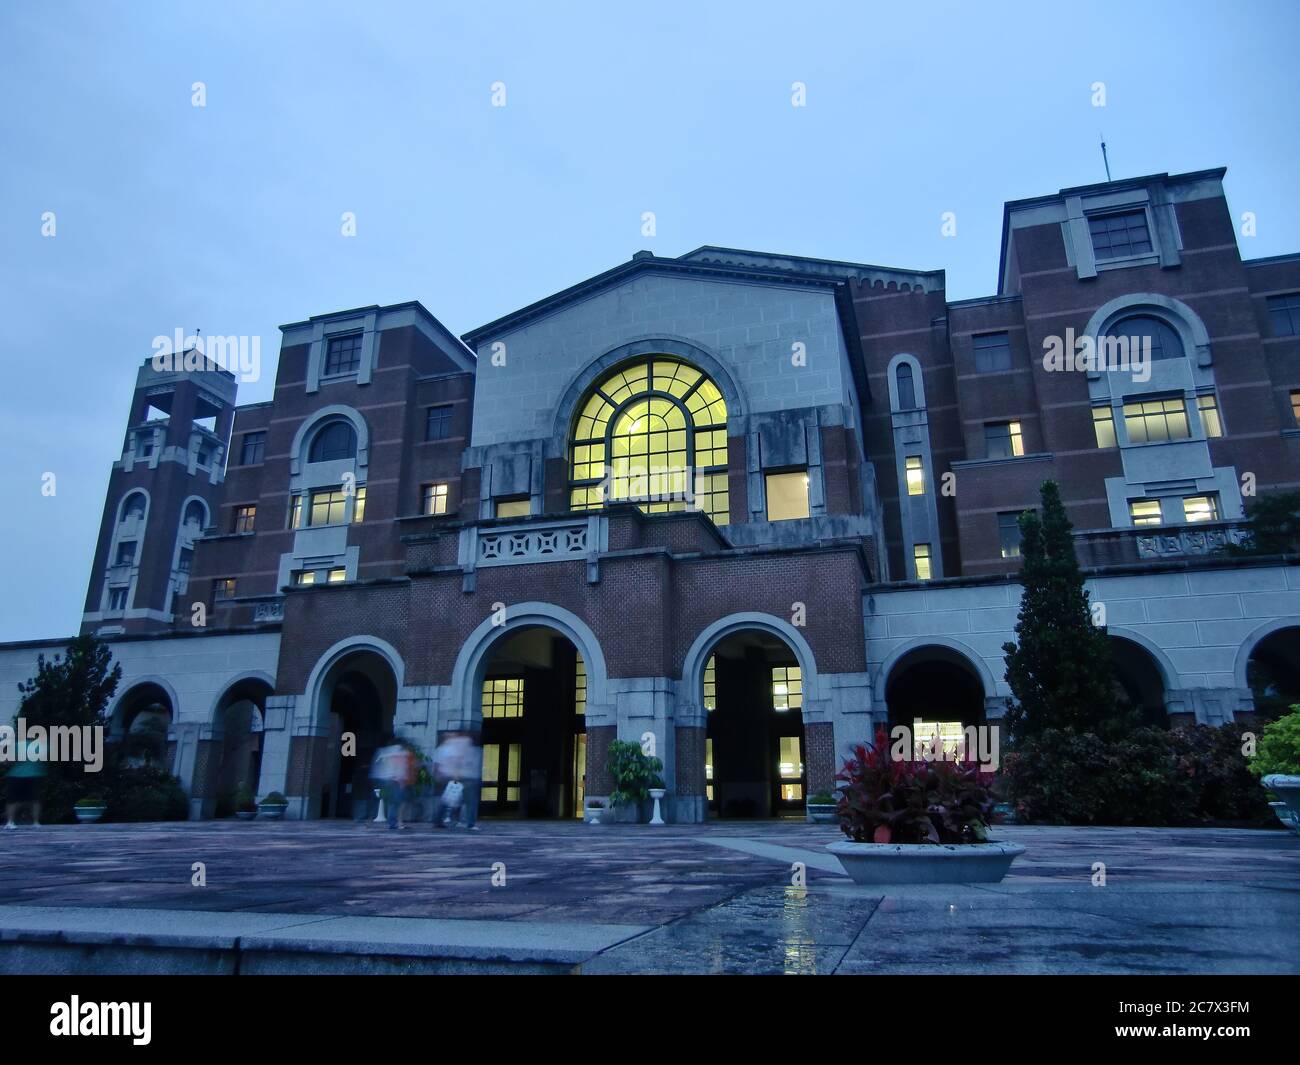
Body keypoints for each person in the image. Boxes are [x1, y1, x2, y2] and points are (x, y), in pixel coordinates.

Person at [5, 735, 47, 829]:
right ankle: (36, 822)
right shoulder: (42, 745)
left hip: (16, 775)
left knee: (13, 800)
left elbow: (8, 760)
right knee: (35, 800)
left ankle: (10, 822)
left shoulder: (17, 745)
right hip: (34, 775)